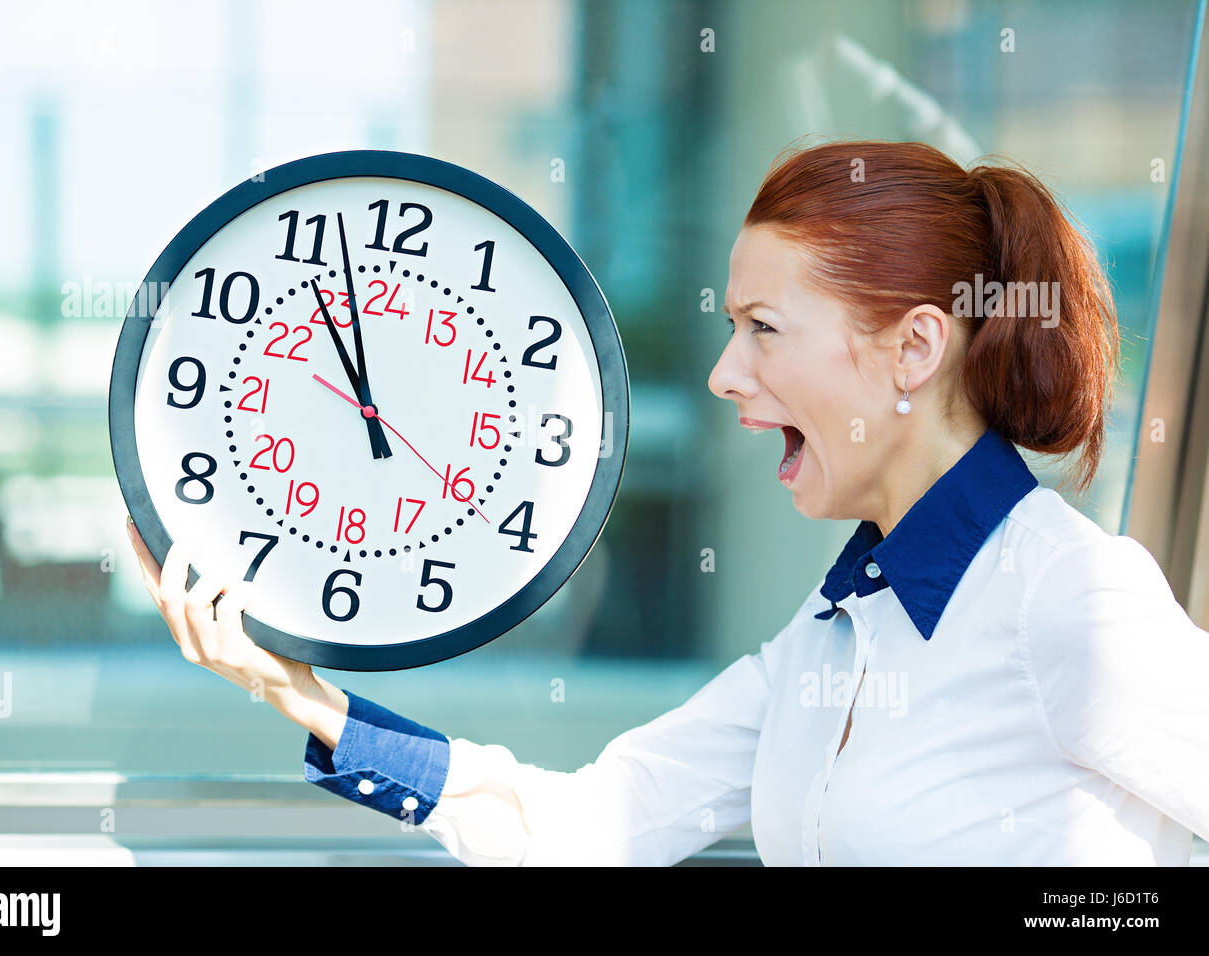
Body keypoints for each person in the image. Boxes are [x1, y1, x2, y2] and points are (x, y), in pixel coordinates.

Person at [127, 139, 1209, 865]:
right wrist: (300, 696)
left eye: (762, 328)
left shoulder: (1071, 595)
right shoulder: (836, 633)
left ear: (913, 348)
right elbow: (593, 821)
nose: (724, 374)